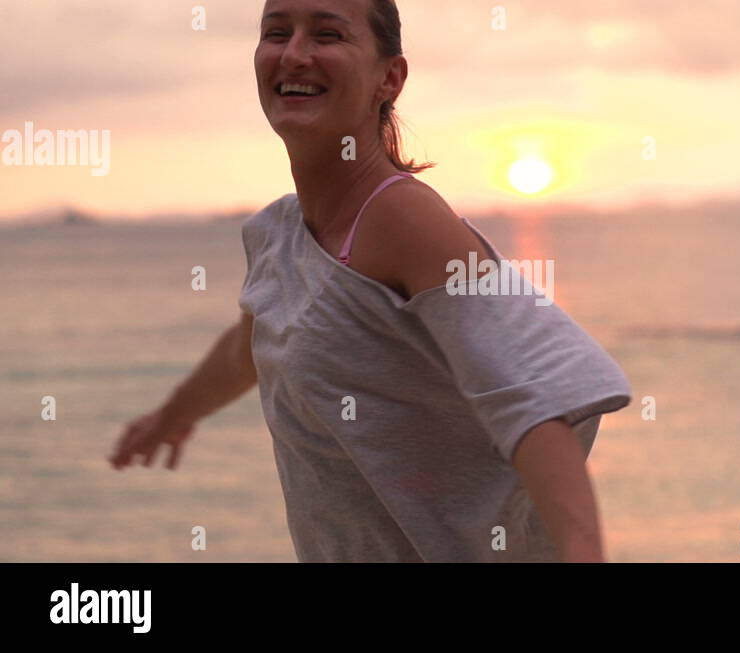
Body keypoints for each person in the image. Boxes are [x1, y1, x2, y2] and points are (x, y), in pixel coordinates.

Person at [108, 0, 632, 563]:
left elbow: (533, 393)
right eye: (276, 32)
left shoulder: (405, 221)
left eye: (327, 35)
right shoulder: (277, 233)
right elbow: (252, 343)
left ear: (390, 78)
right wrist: (176, 414)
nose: (294, 53)